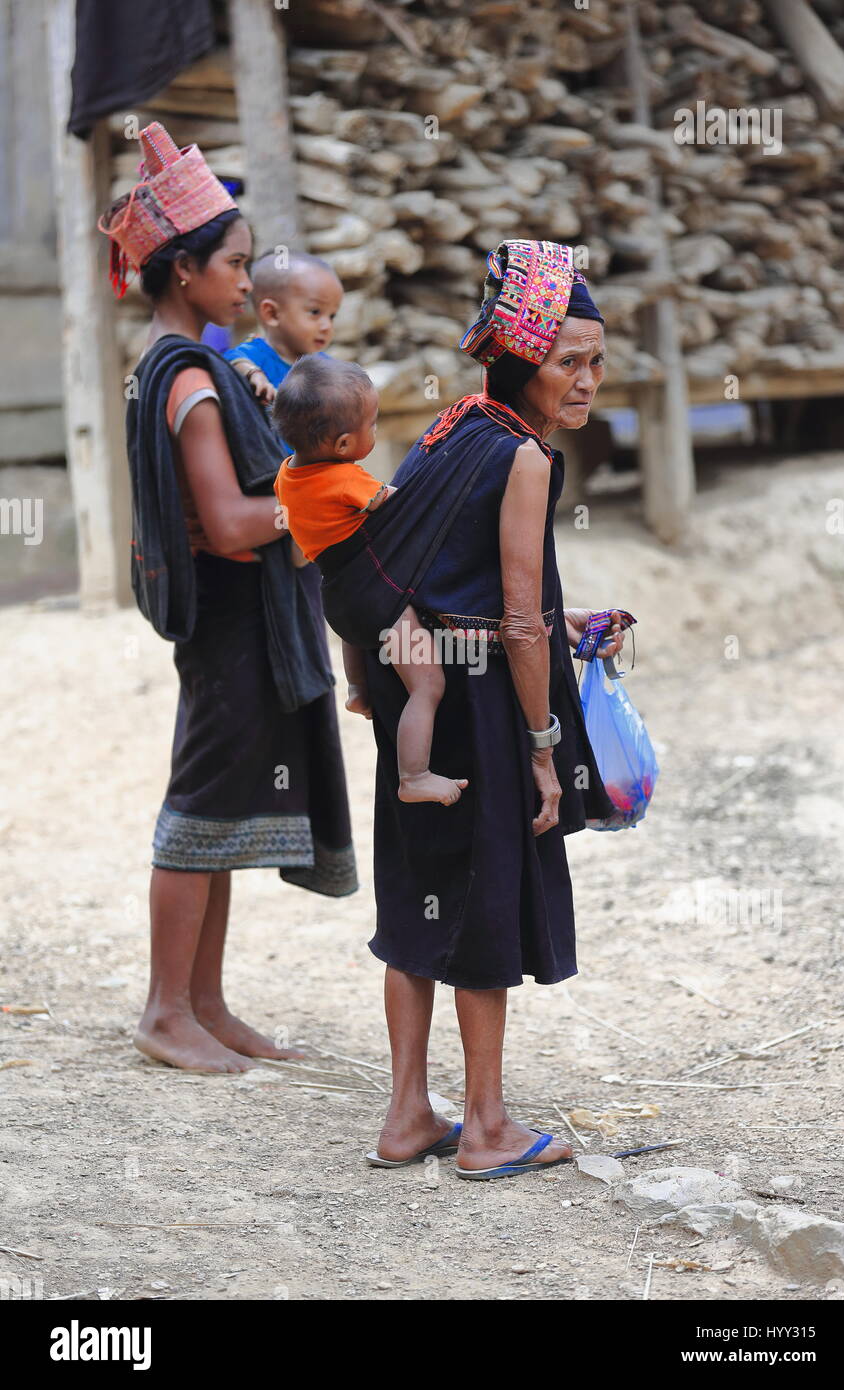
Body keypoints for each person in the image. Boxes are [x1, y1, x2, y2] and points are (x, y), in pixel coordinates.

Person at [361, 239, 628, 1178]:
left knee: (418, 899)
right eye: (570, 361)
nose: (589, 379)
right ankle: (484, 1129)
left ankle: (405, 1117)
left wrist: (569, 620)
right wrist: (547, 744)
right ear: (523, 360)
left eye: (597, 359)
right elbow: (517, 622)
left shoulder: (451, 427)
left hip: (416, 707)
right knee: (483, 904)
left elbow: (426, 564)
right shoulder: (522, 458)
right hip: (478, 712)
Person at [99, 122, 358, 1075]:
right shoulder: (189, 381)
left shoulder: (201, 367)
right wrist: (327, 495)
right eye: (236, 265)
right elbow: (236, 520)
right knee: (199, 804)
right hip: (229, 623)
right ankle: (166, 1011)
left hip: (241, 621)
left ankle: (206, 1003)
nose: (249, 286)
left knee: (225, 812)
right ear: (184, 274)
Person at [273, 355, 469, 807]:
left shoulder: (288, 473)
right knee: (427, 684)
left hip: (337, 593)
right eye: (373, 424)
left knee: (356, 632)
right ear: (344, 444)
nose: (376, 431)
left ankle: (358, 689)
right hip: (376, 592)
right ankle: (414, 775)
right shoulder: (346, 480)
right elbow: (400, 505)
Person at [224, 248, 343, 407]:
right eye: (315, 312)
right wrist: (254, 374)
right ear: (272, 313)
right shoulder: (256, 355)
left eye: (332, 316)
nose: (327, 326)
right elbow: (233, 360)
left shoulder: (325, 367)